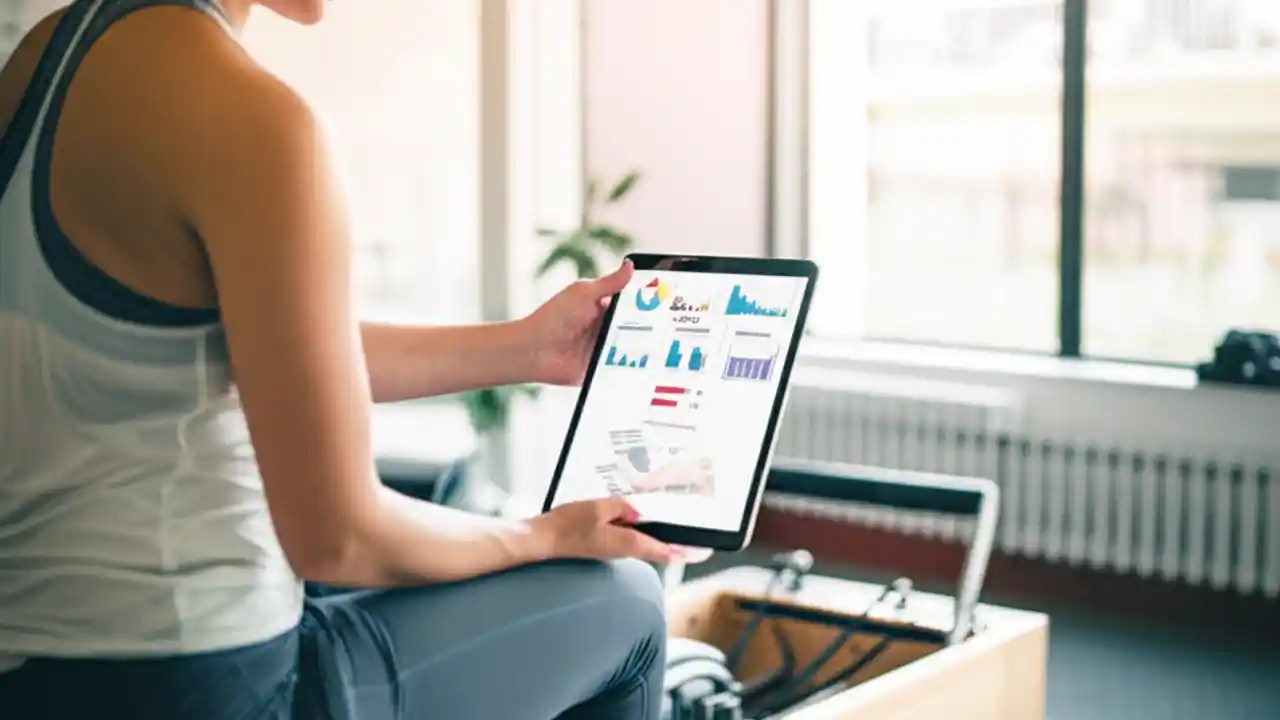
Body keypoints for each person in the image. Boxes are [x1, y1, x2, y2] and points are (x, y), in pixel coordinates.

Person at [0, 1, 689, 717]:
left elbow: (262, 345)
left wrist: (529, 346)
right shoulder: (251, 119)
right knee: (624, 602)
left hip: (32, 675)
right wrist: (545, 536)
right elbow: (339, 537)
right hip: (199, 681)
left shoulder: (48, 55)